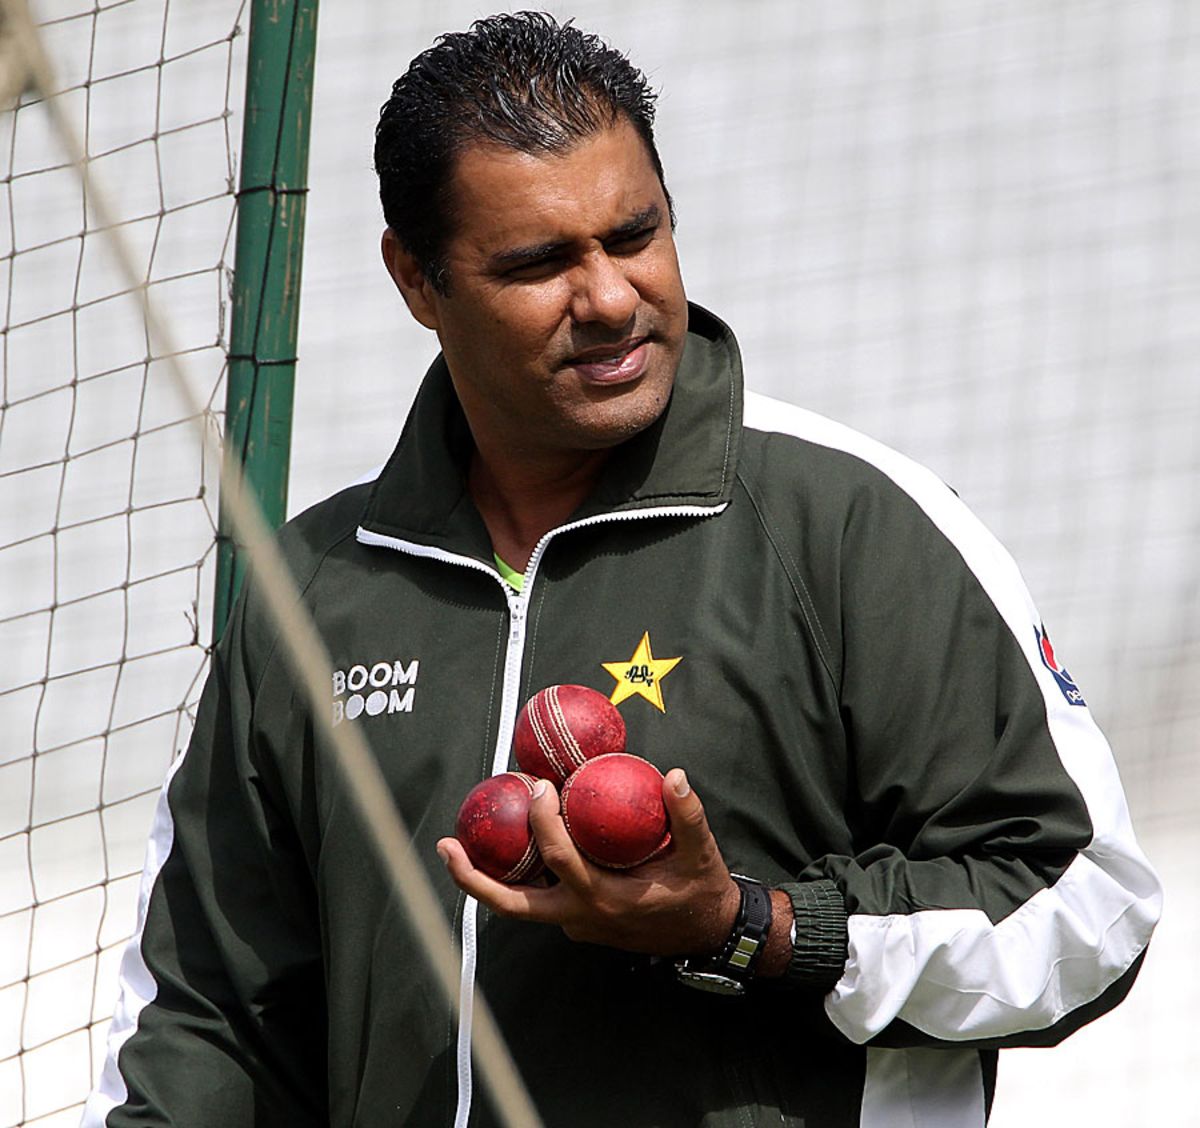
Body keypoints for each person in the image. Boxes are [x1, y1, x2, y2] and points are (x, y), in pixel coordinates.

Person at [84, 12, 1161, 1127]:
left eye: (634, 236)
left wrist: (750, 927)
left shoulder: (855, 523)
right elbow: (205, 1016)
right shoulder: (315, 584)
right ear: (417, 280)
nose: (608, 299)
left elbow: (1089, 908)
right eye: (539, 263)